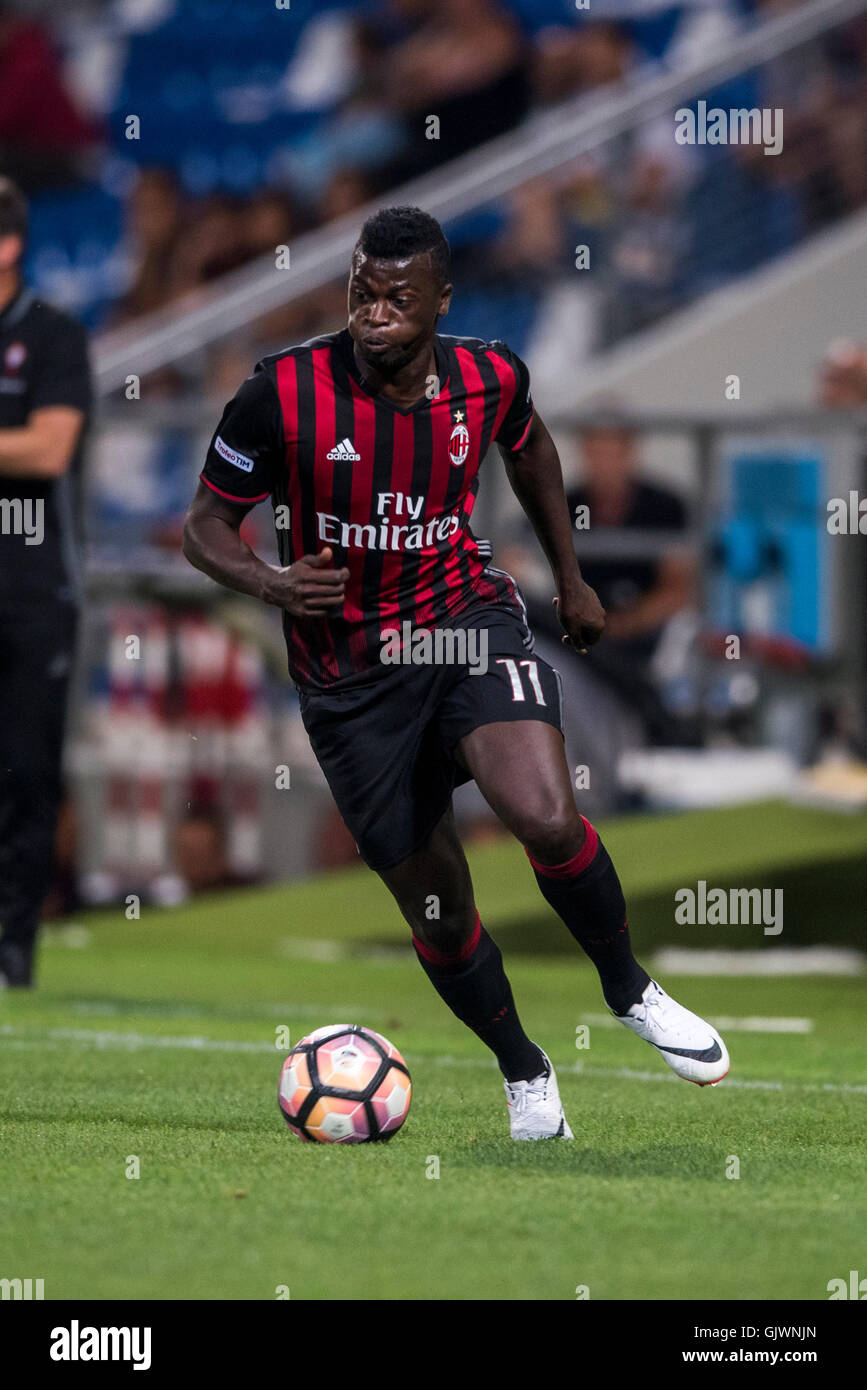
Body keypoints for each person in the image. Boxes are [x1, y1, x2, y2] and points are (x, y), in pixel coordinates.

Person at [183, 206, 728, 1138]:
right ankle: (524, 1069)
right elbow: (203, 528)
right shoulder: (281, 393)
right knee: (439, 911)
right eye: (362, 293)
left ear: (441, 299)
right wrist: (273, 582)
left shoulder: (489, 376)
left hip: (463, 624)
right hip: (351, 681)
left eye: (398, 297)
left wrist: (570, 578)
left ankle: (630, 990)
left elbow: (533, 448)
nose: (375, 313)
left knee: (546, 816)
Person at [0, 176, 92, 986]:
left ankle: (15, 945)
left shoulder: (55, 336)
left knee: (27, 767)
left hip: (30, 590)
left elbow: (47, 449)